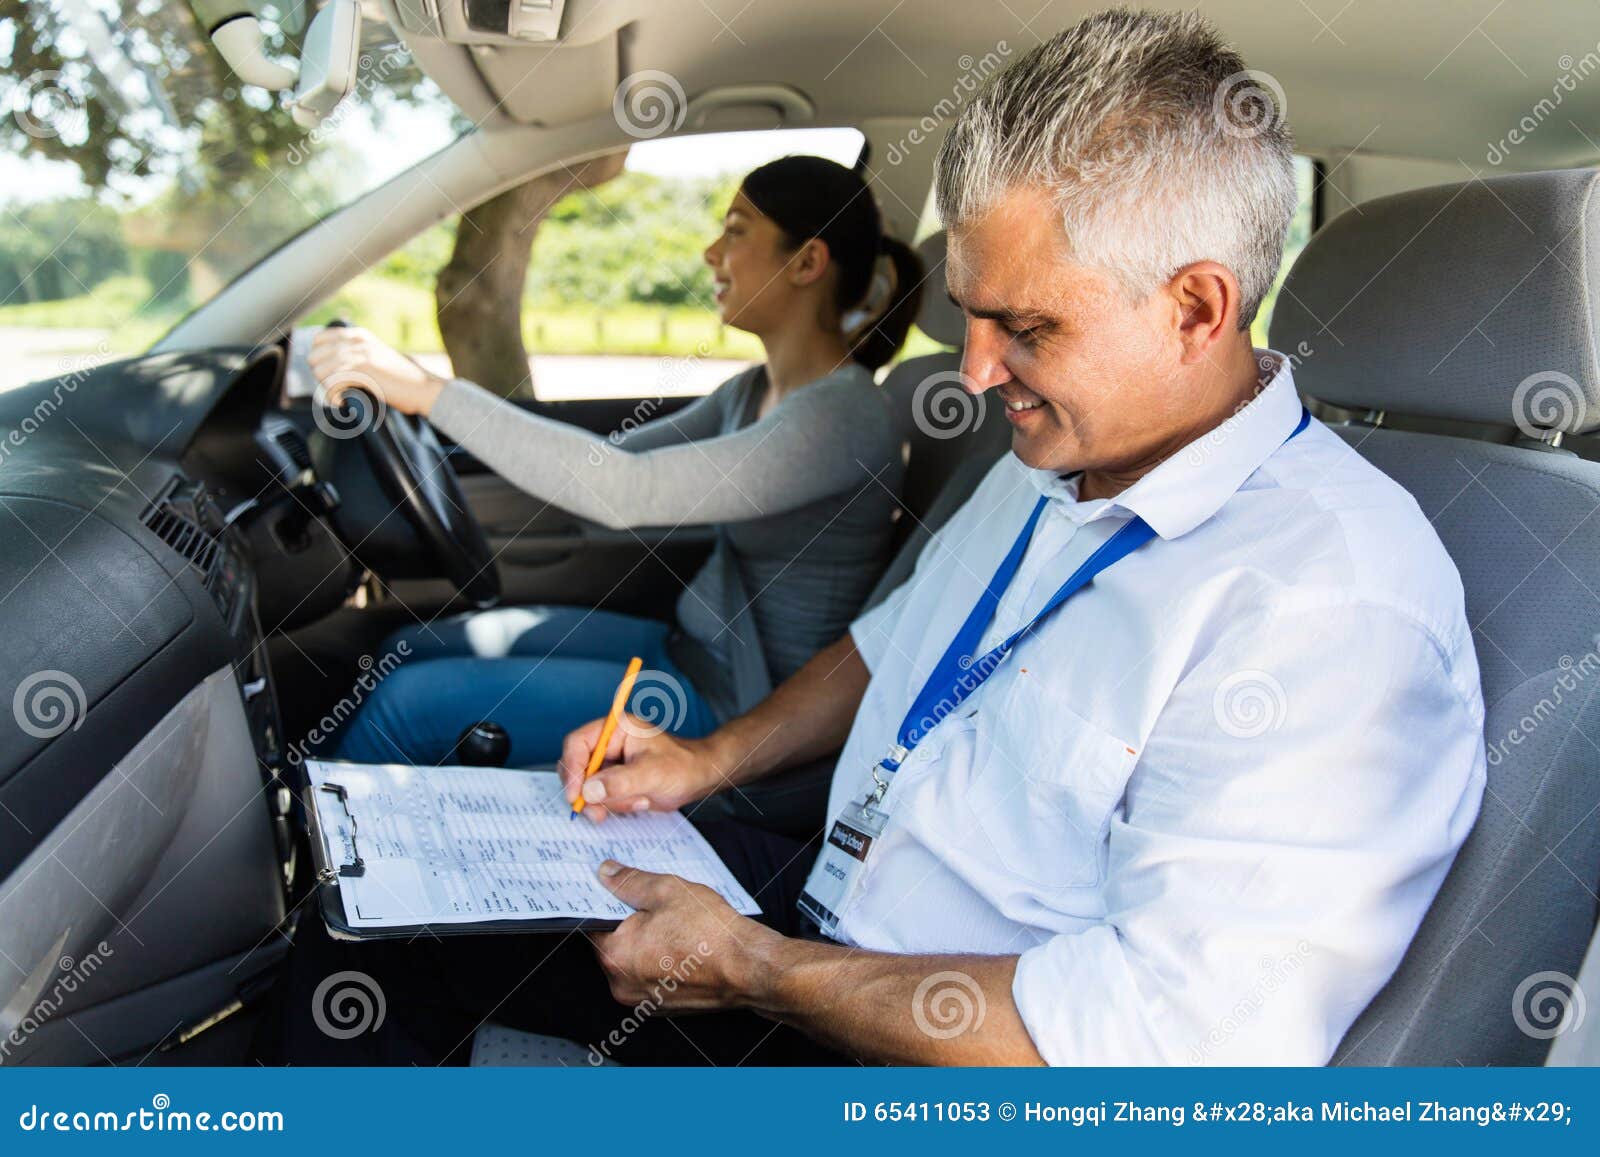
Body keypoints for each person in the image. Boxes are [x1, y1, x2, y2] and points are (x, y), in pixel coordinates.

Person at [277, 9, 1485, 1066]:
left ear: (1194, 307)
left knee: (376, 980)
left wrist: (755, 969)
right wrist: (708, 764)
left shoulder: (1333, 603)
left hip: (926, 1045)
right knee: (367, 927)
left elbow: (1150, 1040)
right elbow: (889, 642)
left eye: (1025, 326)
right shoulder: (1054, 459)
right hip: (815, 908)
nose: (968, 372)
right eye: (967, 316)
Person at [308, 156, 923, 768]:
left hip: (737, 703)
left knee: (408, 704)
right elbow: (613, 461)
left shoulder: (842, 418)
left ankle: (307, 852)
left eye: (736, 230)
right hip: (680, 650)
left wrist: (429, 392)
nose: (712, 252)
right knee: (412, 646)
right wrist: (436, 411)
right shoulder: (750, 390)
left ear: (807, 262)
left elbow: (625, 492)